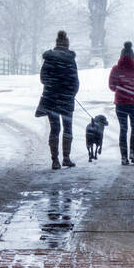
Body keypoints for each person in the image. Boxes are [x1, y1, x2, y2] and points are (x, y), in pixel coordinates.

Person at [35, 30, 79, 170]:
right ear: (67, 45)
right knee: (67, 128)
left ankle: (55, 160)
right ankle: (66, 158)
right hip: (66, 99)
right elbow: (75, 81)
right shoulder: (70, 60)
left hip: (51, 99)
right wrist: (70, 93)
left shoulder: (49, 59)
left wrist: (54, 86)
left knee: (54, 129)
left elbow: (43, 79)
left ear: (56, 44)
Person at [108, 40, 134, 165]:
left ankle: (124, 157)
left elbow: (111, 86)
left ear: (121, 56)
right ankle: (133, 154)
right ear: (132, 56)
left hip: (120, 103)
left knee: (123, 129)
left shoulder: (116, 69)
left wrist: (120, 89)